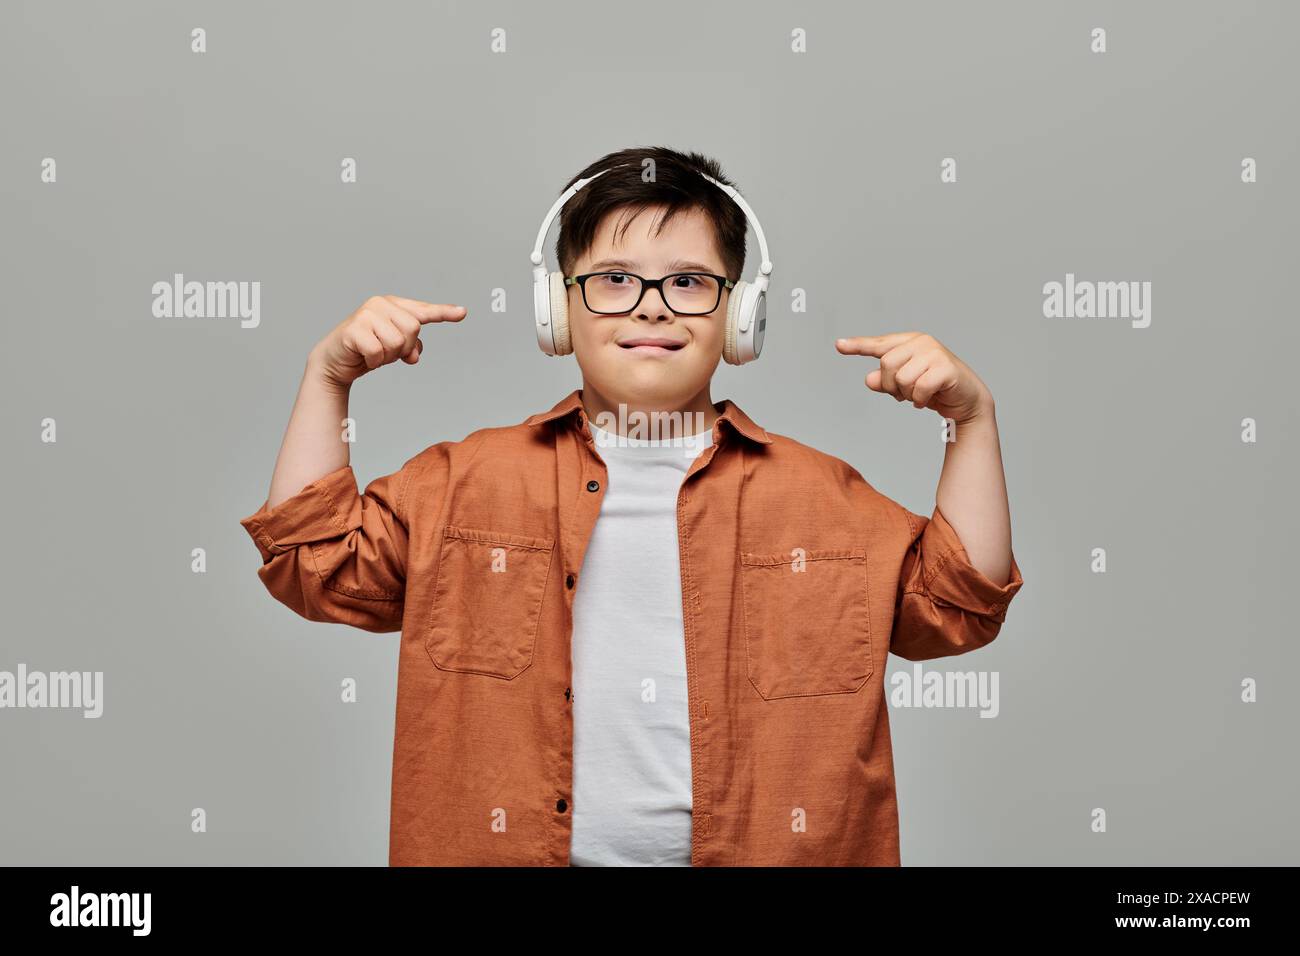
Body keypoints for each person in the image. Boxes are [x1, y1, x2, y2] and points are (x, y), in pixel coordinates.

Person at [238, 145, 1024, 866]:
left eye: (687, 282)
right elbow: (313, 564)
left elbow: (961, 605)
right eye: (614, 279)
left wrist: (972, 419)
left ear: (739, 316)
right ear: (558, 308)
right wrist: (326, 378)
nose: (652, 306)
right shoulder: (463, 483)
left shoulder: (823, 500)